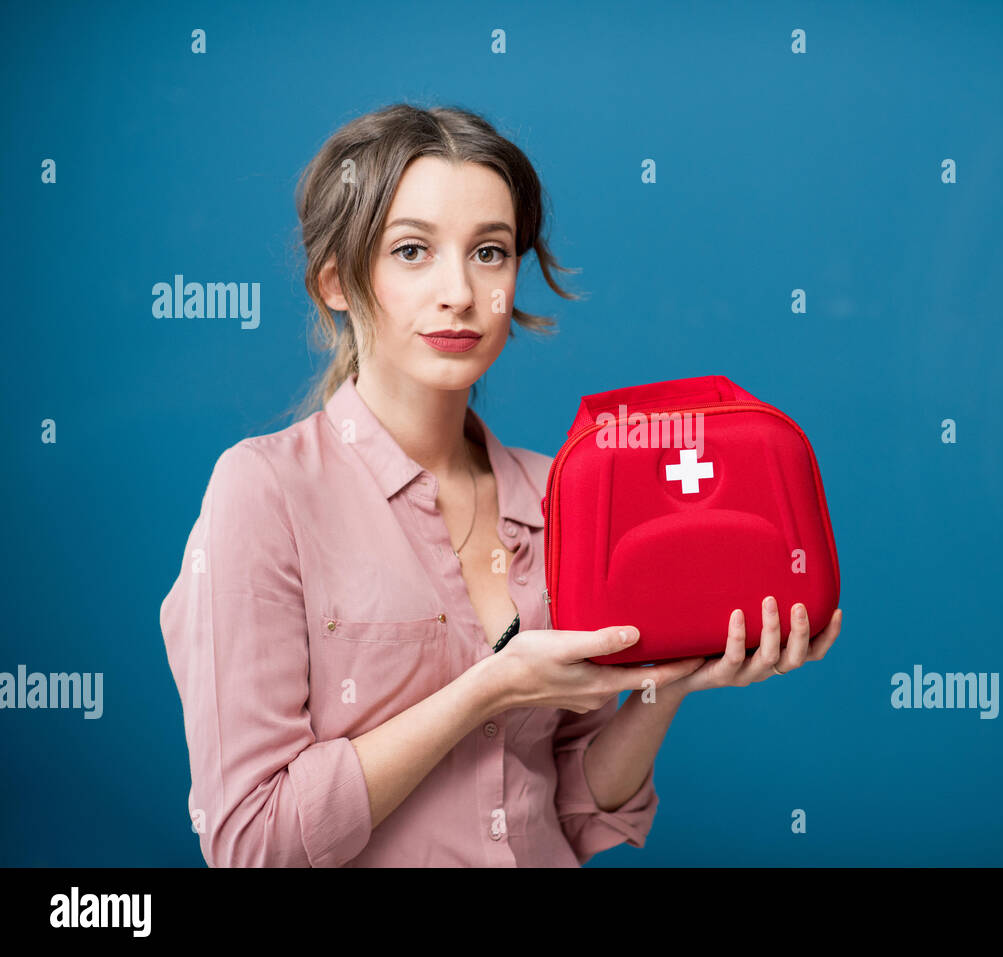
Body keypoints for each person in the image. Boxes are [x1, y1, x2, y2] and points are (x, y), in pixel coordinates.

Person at [158, 103, 843, 867]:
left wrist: (665, 683)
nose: (459, 291)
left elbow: (571, 811)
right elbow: (253, 841)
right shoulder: (264, 493)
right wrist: (489, 690)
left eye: (489, 251)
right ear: (337, 283)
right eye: (412, 250)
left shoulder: (557, 492)